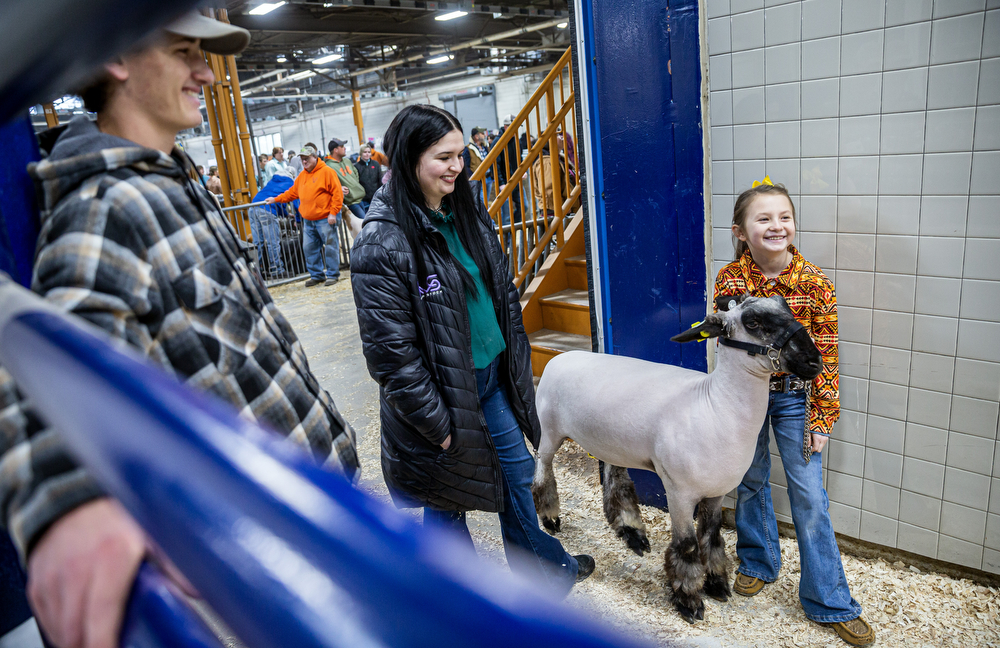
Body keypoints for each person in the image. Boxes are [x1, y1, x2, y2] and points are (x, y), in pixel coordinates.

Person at [0, 13, 360, 648]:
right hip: (263, 548)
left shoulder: (175, 176)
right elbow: (59, 380)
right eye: (186, 52)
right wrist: (70, 507)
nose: (205, 73)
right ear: (117, 58)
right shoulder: (104, 206)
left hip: (309, 509)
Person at [350, 104, 594, 596]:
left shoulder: (463, 206)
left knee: (520, 479)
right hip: (442, 395)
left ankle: (543, 576)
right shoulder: (383, 241)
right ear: (408, 158)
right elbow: (390, 355)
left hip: (490, 377)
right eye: (444, 157)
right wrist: (437, 425)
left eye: (460, 154)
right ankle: (454, 598)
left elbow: (500, 290)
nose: (457, 166)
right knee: (448, 496)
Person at [715, 179, 874, 648]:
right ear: (741, 231)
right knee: (750, 478)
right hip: (746, 397)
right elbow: (728, 343)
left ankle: (829, 600)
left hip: (794, 398)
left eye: (784, 216)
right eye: (763, 218)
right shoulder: (730, 280)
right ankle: (758, 561)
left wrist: (822, 417)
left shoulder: (815, 283)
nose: (776, 225)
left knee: (808, 493)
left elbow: (826, 353)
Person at [265, 144, 343, 286]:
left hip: (325, 218)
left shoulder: (327, 172)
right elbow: (292, 193)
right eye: (302, 159)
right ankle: (317, 275)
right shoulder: (302, 176)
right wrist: (275, 199)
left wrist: (333, 213)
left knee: (330, 246)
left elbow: (337, 194)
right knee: (309, 248)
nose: (304, 162)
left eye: (307, 158)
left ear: (315, 157)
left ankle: (332, 274)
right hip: (308, 220)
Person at [324, 138, 366, 238]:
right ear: (335, 150)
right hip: (350, 202)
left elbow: (355, 172)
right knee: (364, 227)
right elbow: (328, 183)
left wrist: (354, 184)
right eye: (342, 146)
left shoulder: (347, 161)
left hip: (360, 197)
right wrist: (339, 187)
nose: (345, 148)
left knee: (364, 226)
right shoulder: (328, 167)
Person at [355, 144, 382, 213]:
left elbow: (380, 180)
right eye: (365, 152)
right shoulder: (356, 167)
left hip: (376, 197)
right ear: (361, 153)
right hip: (364, 199)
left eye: (369, 152)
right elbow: (356, 183)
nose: (367, 154)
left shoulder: (375, 164)